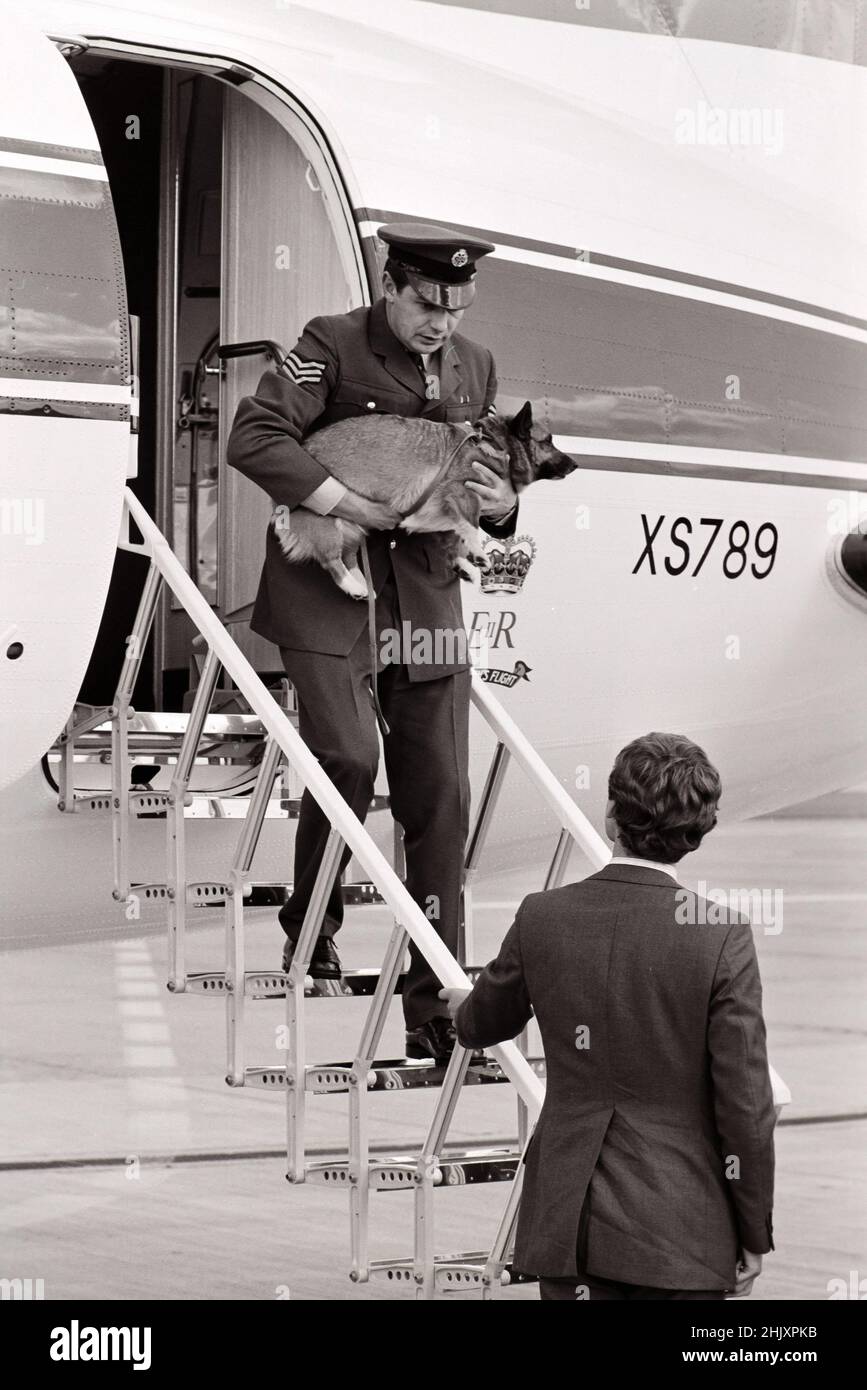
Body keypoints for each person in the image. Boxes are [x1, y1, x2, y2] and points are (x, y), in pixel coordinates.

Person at [226, 223, 519, 1063]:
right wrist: (348, 506)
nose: (441, 323)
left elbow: (485, 480)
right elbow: (255, 438)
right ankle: (311, 923)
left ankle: (435, 1004)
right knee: (347, 761)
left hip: (424, 600)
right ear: (391, 285)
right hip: (329, 595)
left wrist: (499, 506)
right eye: (427, 304)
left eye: (456, 307)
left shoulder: (478, 366)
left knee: (440, 798)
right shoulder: (328, 344)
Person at [441, 732, 776, 1299]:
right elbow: (744, 1104)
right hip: (680, 1235)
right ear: (694, 836)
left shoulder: (544, 914)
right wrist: (752, 1230)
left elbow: (482, 1025)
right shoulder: (721, 935)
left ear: (609, 816)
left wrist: (460, 1002)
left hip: (569, 1227)